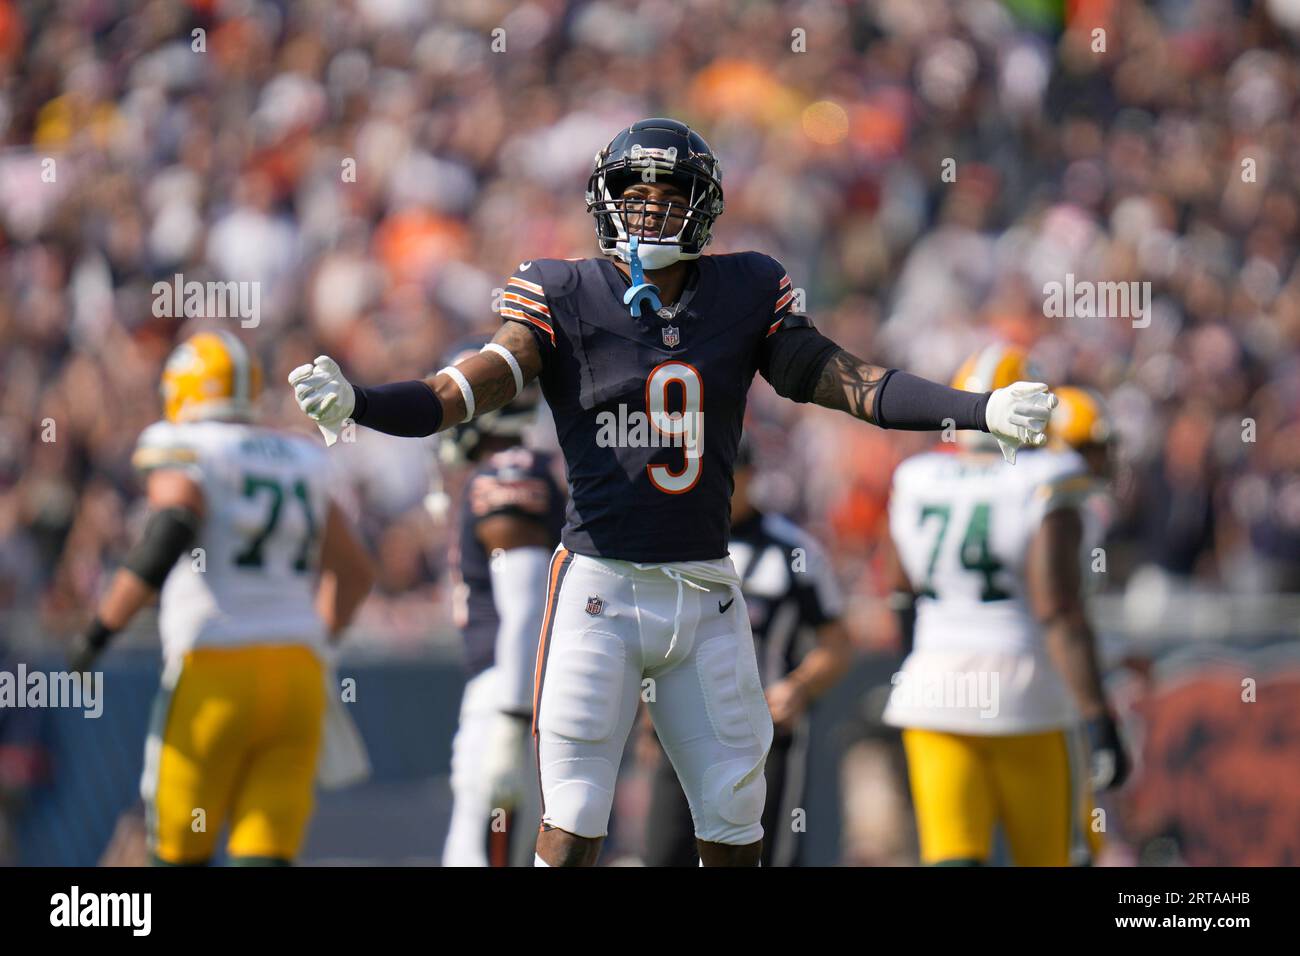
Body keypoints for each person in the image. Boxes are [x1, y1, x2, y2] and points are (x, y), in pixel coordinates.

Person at [288, 118, 1057, 867]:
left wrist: (976, 409)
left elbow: (851, 383)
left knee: (732, 815)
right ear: (603, 198)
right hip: (600, 588)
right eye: (634, 189)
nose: (650, 206)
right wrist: (362, 400)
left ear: (706, 205)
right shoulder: (562, 293)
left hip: (705, 590)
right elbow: (457, 393)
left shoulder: (746, 289)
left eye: (669, 191)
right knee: (575, 816)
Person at [74, 330, 374, 865]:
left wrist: (98, 631)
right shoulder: (299, 455)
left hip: (216, 672)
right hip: (297, 676)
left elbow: (170, 526)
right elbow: (353, 570)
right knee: (264, 852)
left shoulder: (189, 445)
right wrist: (318, 641)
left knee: (175, 851)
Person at [881, 345, 1128, 866]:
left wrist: (916, 663)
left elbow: (901, 594)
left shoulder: (915, 477)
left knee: (953, 859)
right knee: (1051, 859)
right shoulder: (1048, 480)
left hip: (933, 693)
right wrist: (1098, 716)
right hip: (1026, 692)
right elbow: (1057, 609)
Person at [641, 437, 850, 866]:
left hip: (763, 734)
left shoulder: (793, 551)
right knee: (663, 853)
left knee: (763, 856)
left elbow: (838, 642)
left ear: (750, 477)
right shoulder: (674, 544)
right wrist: (648, 717)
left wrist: (798, 687)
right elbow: (652, 639)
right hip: (684, 727)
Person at [437, 337, 566, 867]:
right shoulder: (521, 470)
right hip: (520, 693)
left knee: (480, 855)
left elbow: (525, 606)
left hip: (510, 693)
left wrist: (512, 722)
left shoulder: (506, 476)